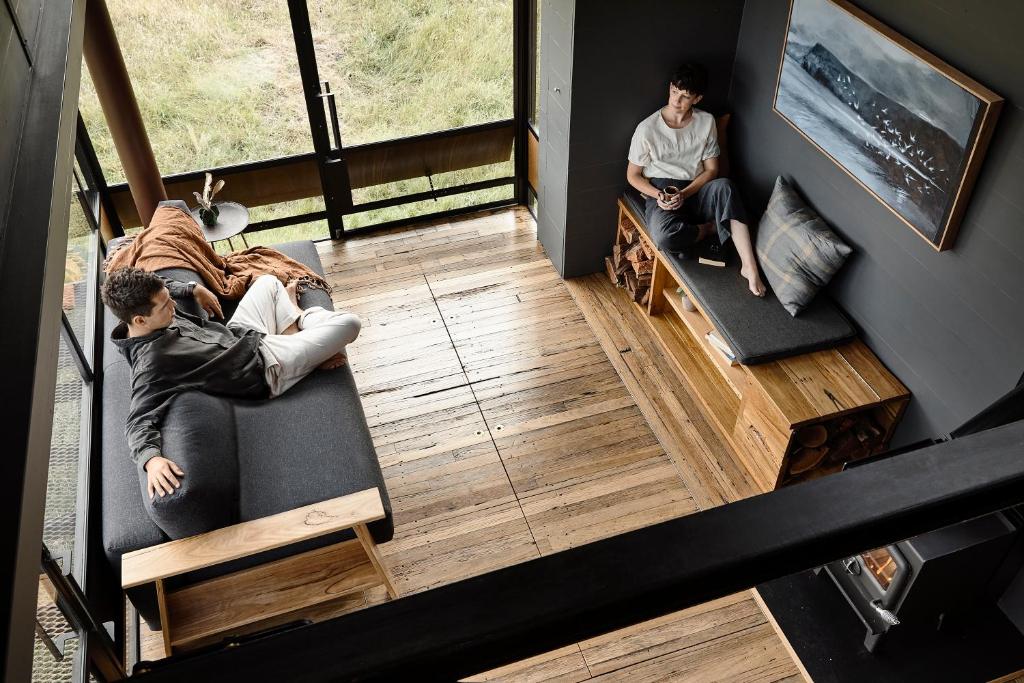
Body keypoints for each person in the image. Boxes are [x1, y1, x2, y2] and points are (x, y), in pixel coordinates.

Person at [103, 268, 361, 500]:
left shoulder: (150, 310)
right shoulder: (152, 365)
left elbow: (164, 285)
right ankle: (301, 322)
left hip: (241, 334)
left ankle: (293, 328)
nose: (172, 303)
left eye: (168, 297)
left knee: (268, 282)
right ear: (139, 320)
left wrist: (194, 289)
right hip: (267, 365)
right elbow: (138, 421)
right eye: (164, 305)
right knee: (350, 323)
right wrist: (152, 460)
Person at [626, 62, 766, 296]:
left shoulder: (706, 121)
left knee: (726, 187)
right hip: (663, 191)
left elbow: (712, 170)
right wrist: (659, 196)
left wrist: (686, 193)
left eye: (684, 96)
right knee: (665, 236)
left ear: (697, 99)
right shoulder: (647, 128)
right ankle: (711, 227)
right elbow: (632, 175)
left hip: (697, 188)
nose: (676, 101)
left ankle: (750, 268)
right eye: (673, 92)